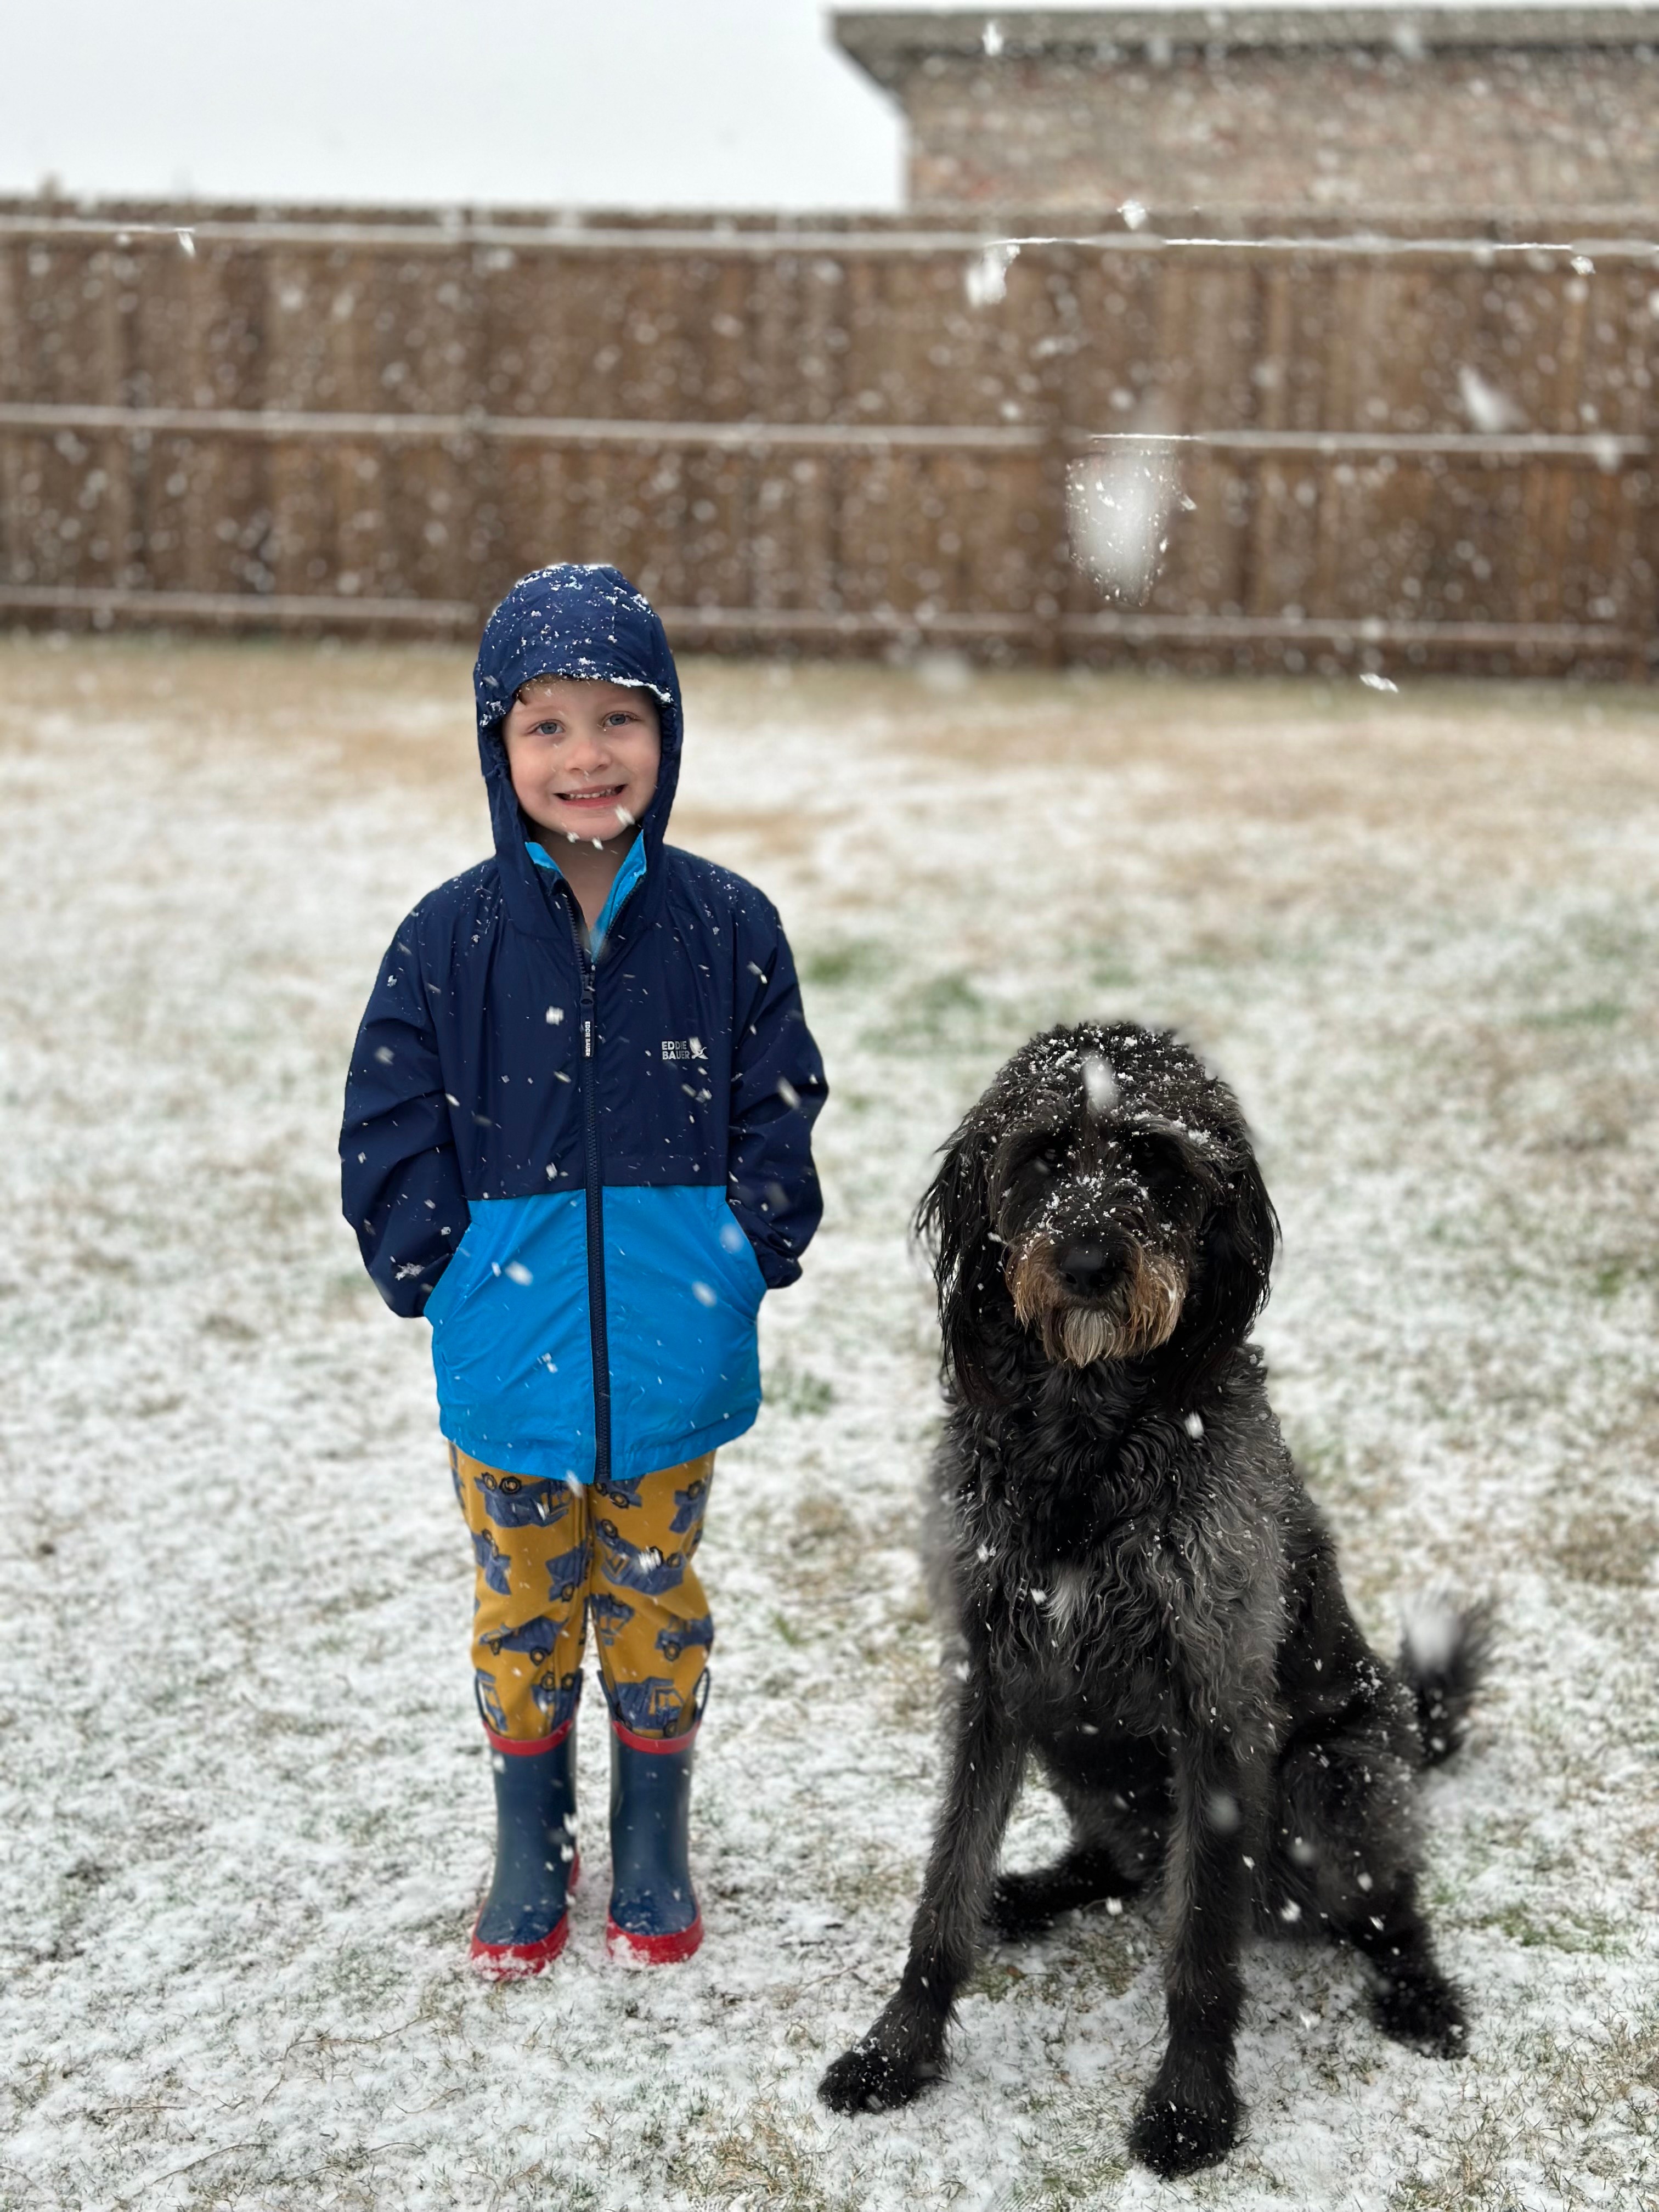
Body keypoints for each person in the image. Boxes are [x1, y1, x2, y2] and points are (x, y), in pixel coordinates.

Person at [341, 563, 826, 1975]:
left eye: (619, 720)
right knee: (523, 1604)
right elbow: (387, 1113)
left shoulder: (728, 928)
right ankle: (532, 1840)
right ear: (497, 747)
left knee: (656, 1595)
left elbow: (779, 1100)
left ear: (667, 736)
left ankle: (657, 1839)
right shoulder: (449, 939)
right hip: (505, 1360)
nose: (585, 757)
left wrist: (747, 1245)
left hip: (677, 1349)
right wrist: (439, 1260)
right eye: (545, 726)